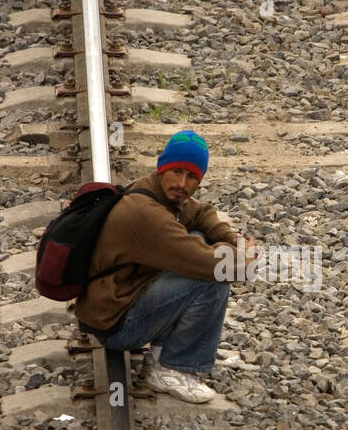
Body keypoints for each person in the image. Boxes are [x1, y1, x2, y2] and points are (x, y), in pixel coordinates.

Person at [73, 130, 258, 403]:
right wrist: (244, 256)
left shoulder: (154, 191)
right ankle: (173, 368)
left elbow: (199, 212)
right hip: (117, 327)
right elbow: (217, 265)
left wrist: (230, 239)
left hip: (120, 303)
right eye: (177, 171)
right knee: (212, 277)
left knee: (198, 238)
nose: (182, 183)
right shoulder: (146, 214)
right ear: (162, 168)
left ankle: (161, 354)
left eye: (192, 176)